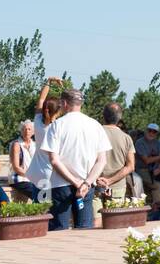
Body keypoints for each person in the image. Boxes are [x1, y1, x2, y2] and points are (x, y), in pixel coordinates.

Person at [40, 89, 111, 230]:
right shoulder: (95, 125)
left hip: (61, 185)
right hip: (86, 185)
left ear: (64, 103)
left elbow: (54, 160)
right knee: (85, 230)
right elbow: (101, 160)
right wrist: (86, 183)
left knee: (59, 231)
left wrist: (75, 182)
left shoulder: (56, 125)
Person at [97, 103, 140, 201]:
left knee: (96, 216)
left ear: (103, 115)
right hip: (117, 187)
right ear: (119, 117)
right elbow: (131, 166)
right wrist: (109, 181)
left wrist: (99, 180)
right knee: (115, 216)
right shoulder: (126, 138)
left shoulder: (94, 133)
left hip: (96, 185)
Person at [8, 120, 44, 203]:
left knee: (48, 193)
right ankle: (40, 215)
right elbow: (16, 167)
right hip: (19, 179)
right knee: (39, 196)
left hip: (32, 179)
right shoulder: (16, 144)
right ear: (21, 131)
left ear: (33, 132)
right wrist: (31, 175)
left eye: (29, 129)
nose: (26, 131)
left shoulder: (35, 145)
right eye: (24, 129)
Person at [135, 123, 160, 203]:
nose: (151, 133)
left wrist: (159, 168)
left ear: (157, 134)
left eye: (154, 132)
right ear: (146, 131)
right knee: (156, 186)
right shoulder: (140, 142)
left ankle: (157, 207)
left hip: (154, 169)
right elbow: (147, 160)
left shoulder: (157, 142)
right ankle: (155, 207)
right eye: (149, 131)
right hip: (142, 169)